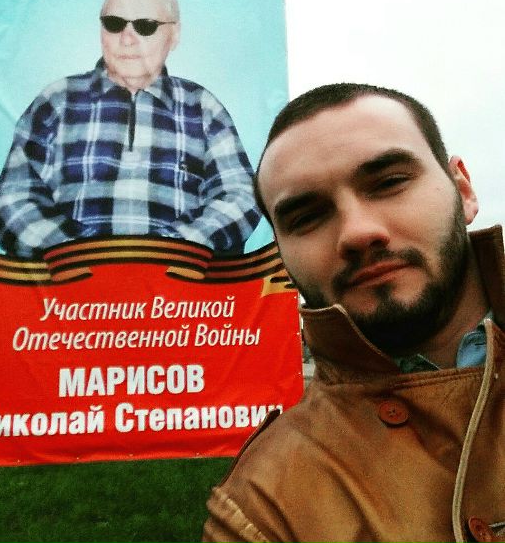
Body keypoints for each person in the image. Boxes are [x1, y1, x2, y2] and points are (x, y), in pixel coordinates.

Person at [203, 83, 505, 543]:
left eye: (389, 183)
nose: (358, 232)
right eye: (307, 217)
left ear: (462, 189)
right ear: (281, 254)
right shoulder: (264, 506)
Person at [0, 0, 260, 258]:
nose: (127, 39)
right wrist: (76, 253)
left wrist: (175, 249)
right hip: (70, 281)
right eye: (114, 24)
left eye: (145, 26)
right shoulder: (57, 100)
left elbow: (240, 195)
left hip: (180, 281)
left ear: (174, 35)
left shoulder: (202, 107)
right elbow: (14, 199)